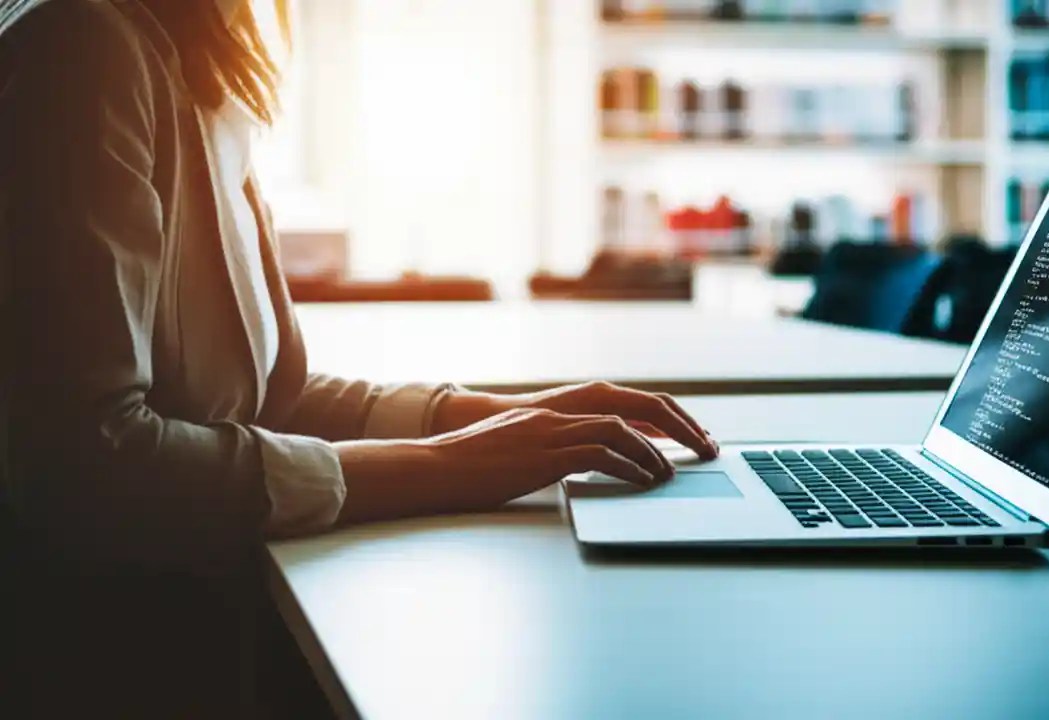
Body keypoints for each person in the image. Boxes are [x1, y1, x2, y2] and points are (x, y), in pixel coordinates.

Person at [0, 0, 718, 715]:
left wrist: (498, 420)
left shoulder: (193, 60)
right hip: (119, 669)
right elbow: (90, 466)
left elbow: (260, 401)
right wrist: (452, 465)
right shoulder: (81, 48)